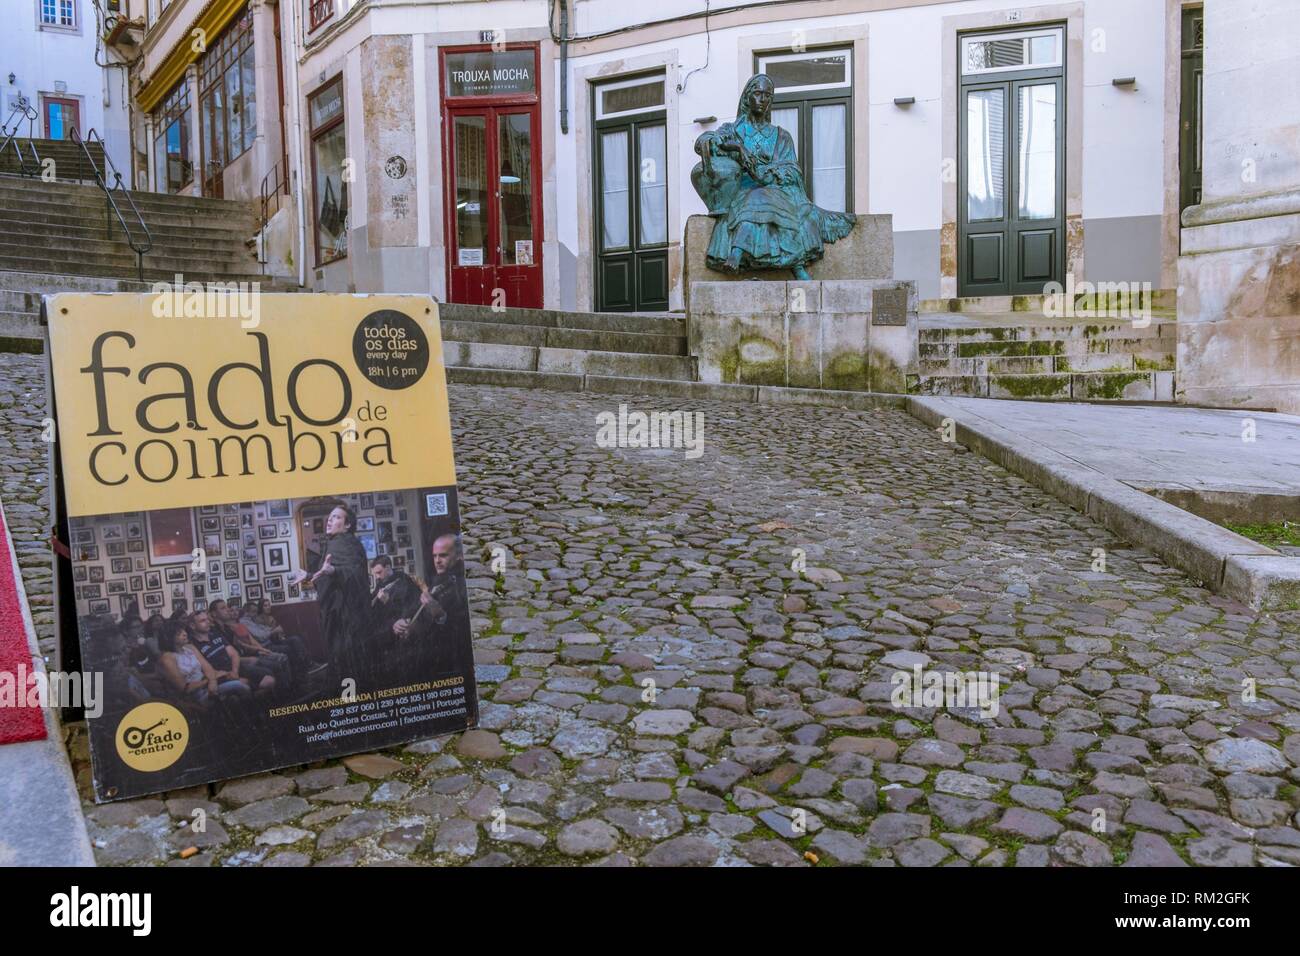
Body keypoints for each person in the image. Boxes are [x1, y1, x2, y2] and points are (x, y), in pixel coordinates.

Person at [693, 74, 855, 280]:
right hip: (742, 189)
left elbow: (792, 169)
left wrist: (767, 173)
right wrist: (732, 146)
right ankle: (779, 263)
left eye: (768, 96)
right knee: (756, 197)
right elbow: (704, 141)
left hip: (776, 188)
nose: (763, 100)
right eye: (758, 94)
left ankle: (745, 254)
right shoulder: (732, 131)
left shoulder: (782, 135)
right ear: (747, 98)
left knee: (772, 201)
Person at [306, 504, 373, 690]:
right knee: (343, 663)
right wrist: (307, 576)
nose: (330, 520)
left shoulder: (346, 543)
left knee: (349, 664)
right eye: (330, 517)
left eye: (336, 517)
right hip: (339, 617)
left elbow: (354, 574)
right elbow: (327, 575)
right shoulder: (335, 544)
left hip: (348, 619)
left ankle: (352, 704)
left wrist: (334, 570)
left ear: (347, 525)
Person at [394, 534, 472, 677]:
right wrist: (402, 623)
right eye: (435, 556)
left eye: (443, 556)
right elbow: (417, 612)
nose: (437, 561)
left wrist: (441, 615)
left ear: (459, 556)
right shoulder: (434, 581)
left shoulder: (465, 583)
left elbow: (466, 630)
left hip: (451, 663)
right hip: (427, 659)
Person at [209, 599, 291, 698]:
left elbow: (240, 644)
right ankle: (282, 697)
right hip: (237, 662)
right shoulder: (213, 631)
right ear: (214, 614)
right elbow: (229, 655)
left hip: (242, 658)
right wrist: (255, 653)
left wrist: (260, 649)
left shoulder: (227, 628)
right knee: (273, 666)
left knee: (281, 658)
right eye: (223, 608)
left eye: (227, 607)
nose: (228, 610)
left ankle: (285, 693)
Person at [157, 619, 250, 705]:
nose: (185, 634)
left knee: (245, 683)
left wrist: (213, 680)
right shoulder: (167, 658)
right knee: (240, 686)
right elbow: (184, 688)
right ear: (169, 637)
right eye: (179, 633)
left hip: (208, 683)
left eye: (184, 631)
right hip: (195, 693)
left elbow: (207, 668)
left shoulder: (190, 647)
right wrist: (209, 681)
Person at [188, 609, 274, 700]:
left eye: (207, 619)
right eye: (202, 621)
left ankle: (255, 701)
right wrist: (229, 675)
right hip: (221, 676)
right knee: (244, 687)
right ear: (193, 626)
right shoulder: (193, 646)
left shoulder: (215, 634)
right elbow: (206, 669)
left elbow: (233, 653)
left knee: (270, 681)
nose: (207, 622)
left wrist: (235, 671)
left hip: (235, 668)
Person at [240, 597, 312, 685]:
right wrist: (274, 631)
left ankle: (306, 667)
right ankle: (299, 676)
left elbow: (266, 630)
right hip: (265, 646)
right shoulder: (247, 622)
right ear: (247, 612)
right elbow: (261, 636)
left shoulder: (253, 620)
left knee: (296, 639)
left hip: (270, 641)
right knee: (288, 649)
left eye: (256, 611)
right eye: (253, 612)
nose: (255, 614)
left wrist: (273, 631)